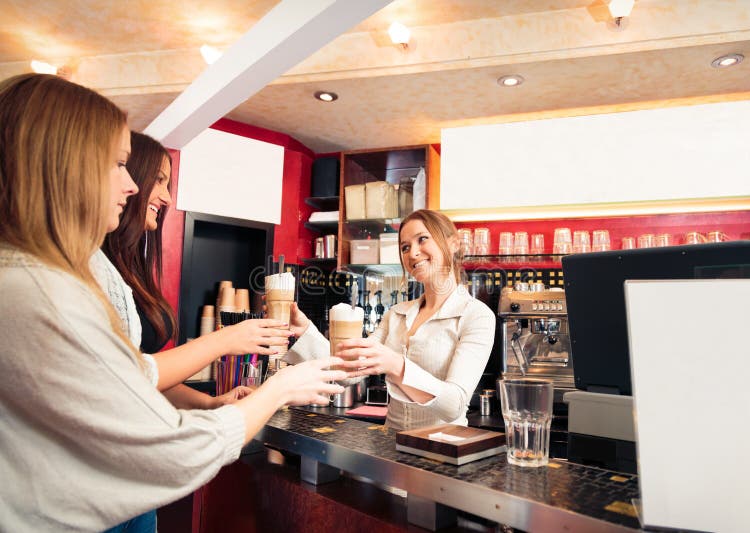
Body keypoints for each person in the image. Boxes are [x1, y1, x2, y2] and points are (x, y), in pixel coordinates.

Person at [0, 73, 345, 532]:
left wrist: (215, 402)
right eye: (119, 165)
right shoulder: (44, 292)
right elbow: (171, 452)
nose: (132, 186)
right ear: (66, 165)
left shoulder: (42, 278)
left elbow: (131, 374)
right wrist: (277, 389)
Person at [100, 131, 287, 409]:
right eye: (159, 181)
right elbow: (130, 374)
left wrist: (211, 403)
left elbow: (147, 372)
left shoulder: (130, 266)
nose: (166, 198)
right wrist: (225, 339)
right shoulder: (95, 266)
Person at [287, 209, 495, 430]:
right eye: (405, 247)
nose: (413, 253)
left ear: (453, 244)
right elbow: (348, 372)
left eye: (422, 239)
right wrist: (305, 330)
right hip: (391, 446)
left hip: (443, 447)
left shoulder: (476, 316)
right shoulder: (396, 313)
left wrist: (397, 365)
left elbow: (454, 404)